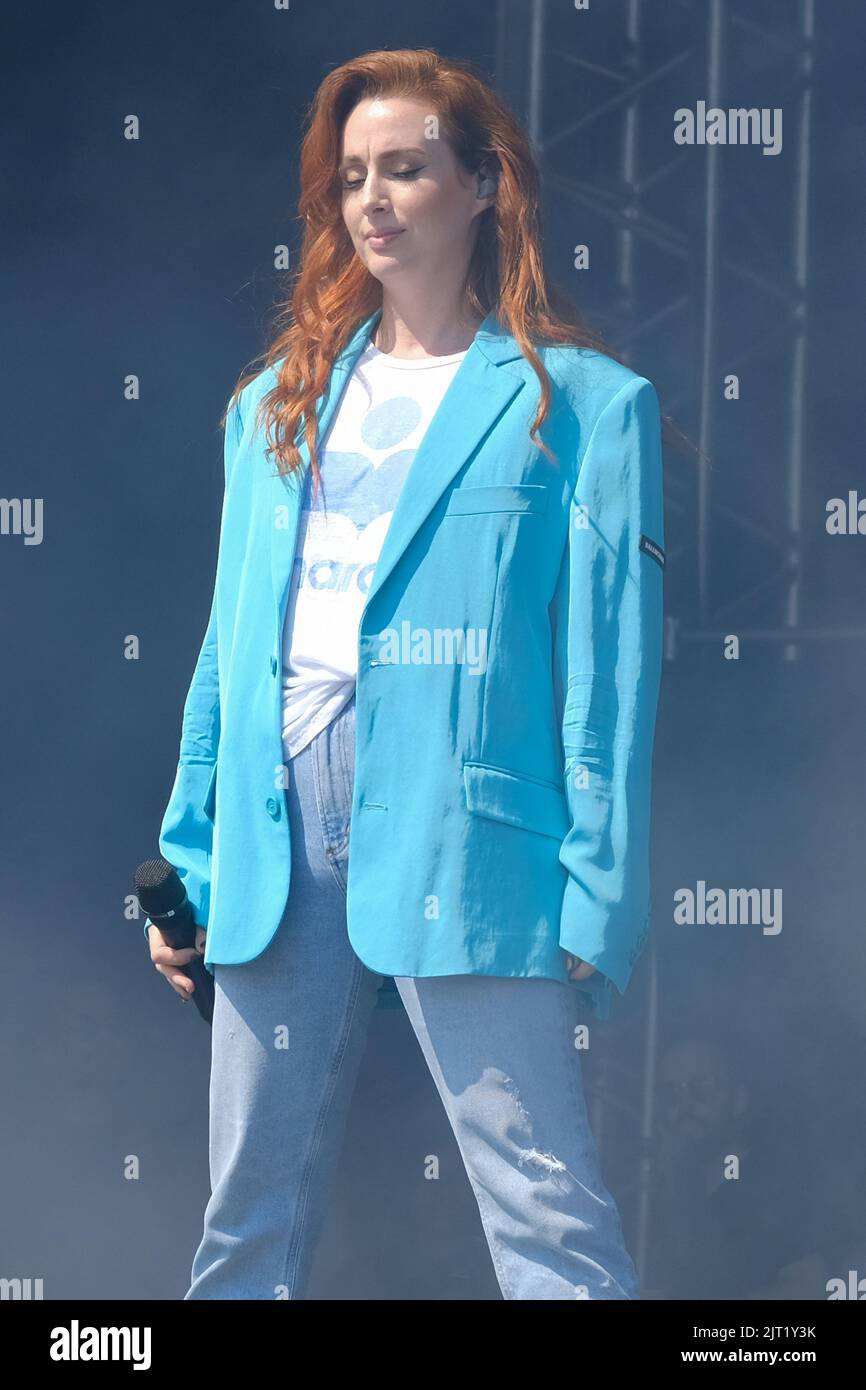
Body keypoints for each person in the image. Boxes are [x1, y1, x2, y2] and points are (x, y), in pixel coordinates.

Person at [145, 46, 665, 1300]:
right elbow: (231, 642)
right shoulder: (274, 403)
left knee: (546, 1213)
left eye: (407, 169)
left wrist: (597, 884)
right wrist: (193, 847)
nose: (372, 197)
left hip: (466, 822)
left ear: (483, 186)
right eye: (353, 176)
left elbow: (610, 670)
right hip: (280, 816)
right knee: (242, 1222)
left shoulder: (583, 405)